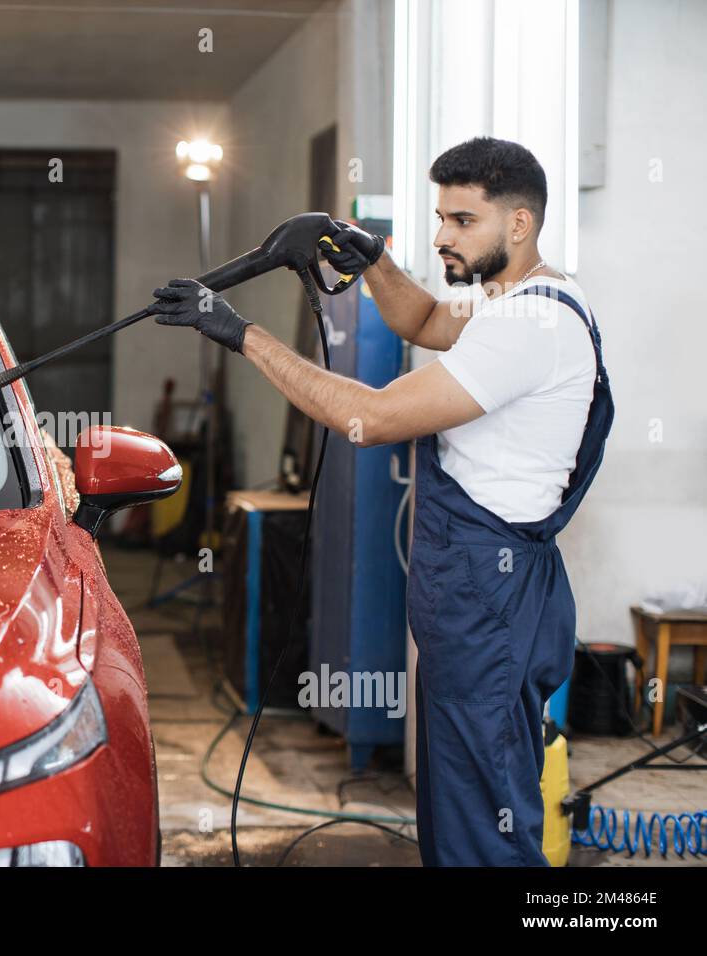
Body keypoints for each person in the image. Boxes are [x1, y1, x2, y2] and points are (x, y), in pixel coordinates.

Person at [147, 136, 613, 866]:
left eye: (461, 220)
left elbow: (374, 418)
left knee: (481, 825)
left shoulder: (531, 327)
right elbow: (424, 322)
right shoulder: (524, 300)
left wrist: (243, 336)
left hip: (487, 602)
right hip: (490, 593)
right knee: (467, 800)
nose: (441, 236)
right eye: (439, 217)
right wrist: (373, 261)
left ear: (519, 225)